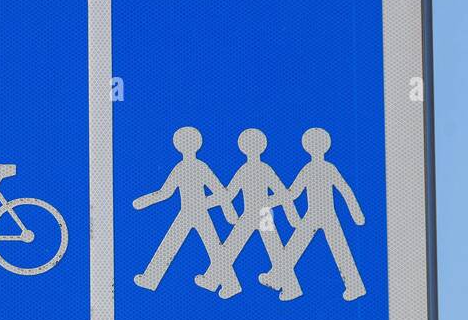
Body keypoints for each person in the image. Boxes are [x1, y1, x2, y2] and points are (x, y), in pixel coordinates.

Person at [263, 128, 366, 301]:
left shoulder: (320, 168)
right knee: (296, 246)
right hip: (315, 214)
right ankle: (276, 276)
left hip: (325, 214)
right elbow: (294, 193)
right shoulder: (313, 169)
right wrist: (270, 201)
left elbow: (343, 189)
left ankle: (355, 287)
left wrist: (357, 214)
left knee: (336, 249)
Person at [195, 128, 300, 298]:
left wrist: (206, 202)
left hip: (257, 213)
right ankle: (214, 280)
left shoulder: (254, 169)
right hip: (256, 213)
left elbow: (230, 194)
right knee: (235, 248)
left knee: (237, 248)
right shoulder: (254, 169)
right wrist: (207, 202)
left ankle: (214, 280)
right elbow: (230, 194)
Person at [133, 127, 238, 291]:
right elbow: (165, 192)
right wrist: (145, 201)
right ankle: (231, 285)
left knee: (205, 248)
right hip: (190, 212)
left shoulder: (194, 167)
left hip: (196, 212)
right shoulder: (185, 167)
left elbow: (218, 190)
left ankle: (150, 279)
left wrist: (227, 210)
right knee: (212, 249)